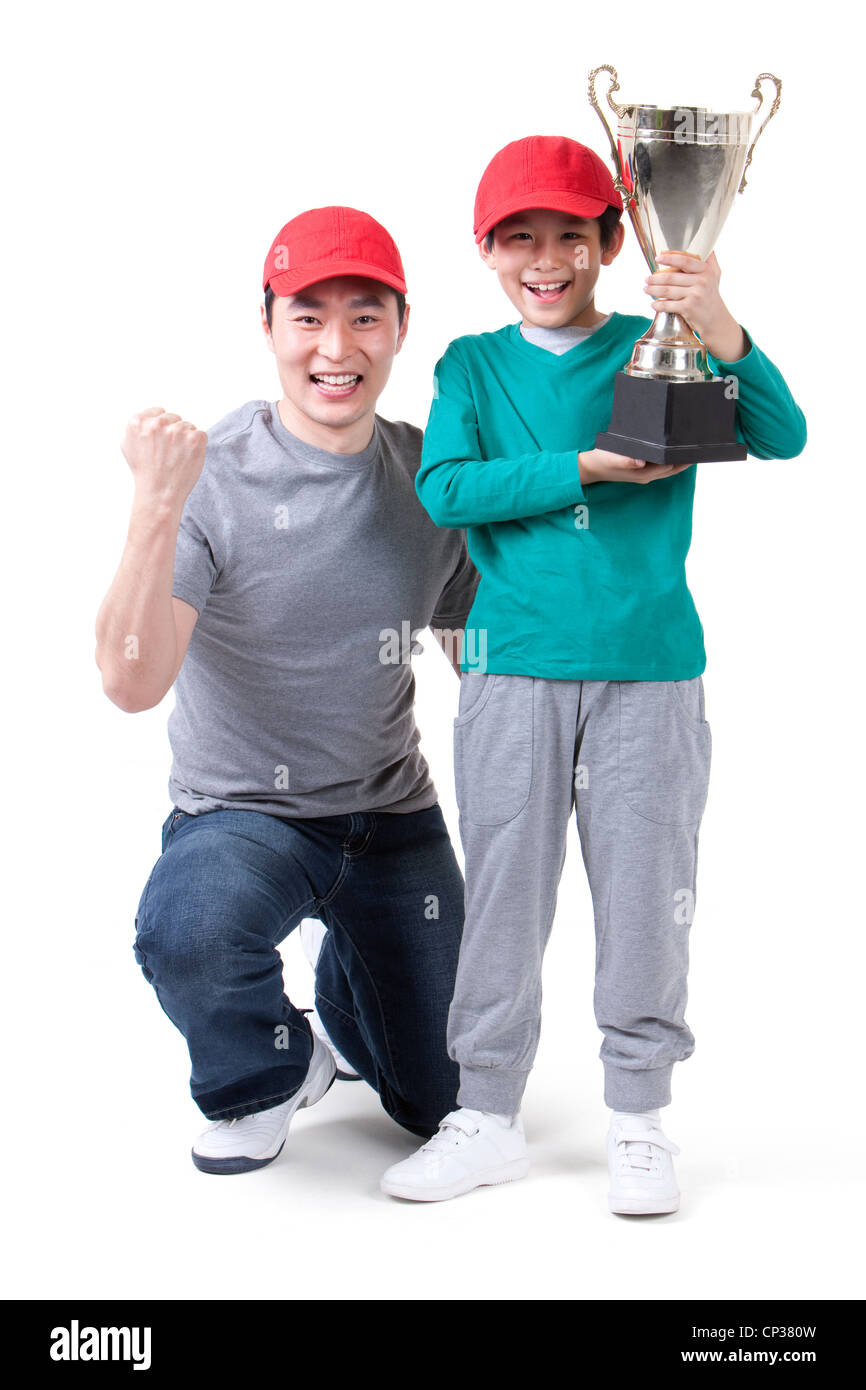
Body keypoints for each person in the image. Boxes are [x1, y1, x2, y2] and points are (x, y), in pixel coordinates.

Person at [381, 135, 807, 1212]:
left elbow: (781, 435)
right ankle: (483, 1114)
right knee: (506, 899)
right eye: (518, 238)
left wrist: (718, 326)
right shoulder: (471, 365)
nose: (545, 258)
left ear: (613, 239)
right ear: (485, 250)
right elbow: (444, 489)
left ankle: (637, 1117)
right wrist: (581, 466)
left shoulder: (653, 342)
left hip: (648, 670)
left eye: (569, 235)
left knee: (643, 893)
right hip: (512, 669)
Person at [95, 205, 478, 1175]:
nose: (335, 347)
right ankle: (271, 1068)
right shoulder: (211, 477)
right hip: (246, 815)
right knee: (189, 930)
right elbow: (131, 681)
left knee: (442, 1102)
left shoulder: (431, 477)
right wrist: (153, 505)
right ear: (267, 327)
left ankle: (351, 992)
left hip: (389, 817)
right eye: (307, 316)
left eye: (363, 315)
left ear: (399, 327)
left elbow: (478, 655)